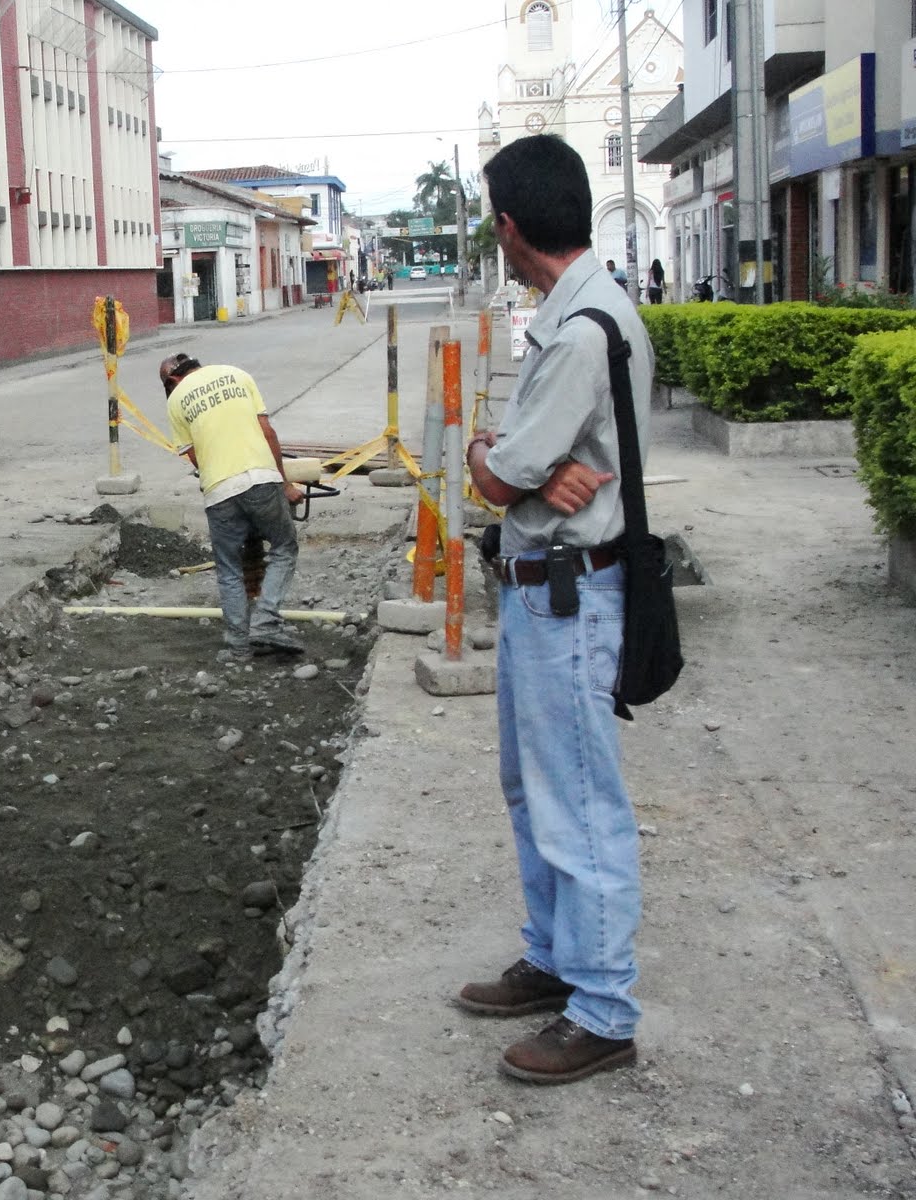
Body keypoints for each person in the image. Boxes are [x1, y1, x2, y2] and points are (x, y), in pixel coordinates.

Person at [461, 133, 654, 1085]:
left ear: (509, 225)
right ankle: (553, 959)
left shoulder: (580, 331)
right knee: (532, 791)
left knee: (578, 804)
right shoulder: (579, 311)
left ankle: (605, 1009)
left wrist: (494, 464)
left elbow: (497, 477)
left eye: (489, 215)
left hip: (571, 599)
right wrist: (528, 471)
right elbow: (529, 469)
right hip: (545, 593)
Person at [160, 353, 305, 658]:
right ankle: (266, 621)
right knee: (284, 547)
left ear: (172, 381)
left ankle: (238, 645)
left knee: (229, 568)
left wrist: (218, 473)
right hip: (260, 479)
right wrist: (286, 484)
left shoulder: (175, 402)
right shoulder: (237, 374)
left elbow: (195, 456)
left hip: (218, 492)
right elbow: (267, 432)